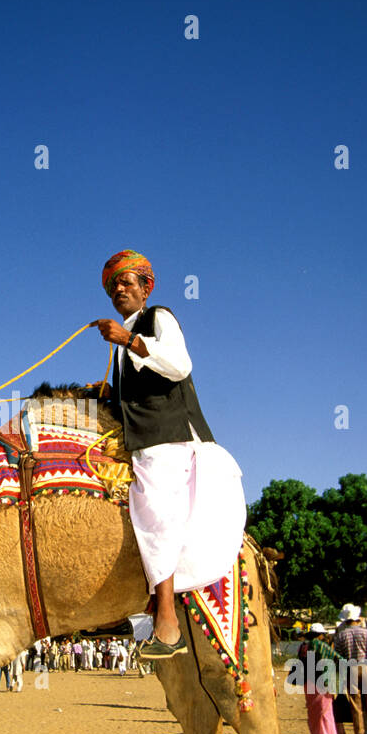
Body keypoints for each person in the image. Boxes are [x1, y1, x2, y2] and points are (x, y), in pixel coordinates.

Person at [93, 250, 246, 660]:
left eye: (127, 282)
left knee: (153, 507)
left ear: (146, 288)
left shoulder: (158, 317)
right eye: (113, 286)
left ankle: (166, 618)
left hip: (168, 438)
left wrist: (129, 340)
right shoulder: (122, 345)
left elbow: (178, 365)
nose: (119, 290)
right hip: (142, 437)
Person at [334, 604, 367, 734]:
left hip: (350, 669)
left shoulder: (341, 635)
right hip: (366, 668)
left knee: (356, 706)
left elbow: (337, 657)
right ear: (357, 619)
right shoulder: (366, 633)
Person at [297, 623, 340, 734]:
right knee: (325, 710)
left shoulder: (303, 647)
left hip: (307, 682)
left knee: (313, 711)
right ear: (320, 635)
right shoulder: (322, 646)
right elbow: (339, 658)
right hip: (322, 681)